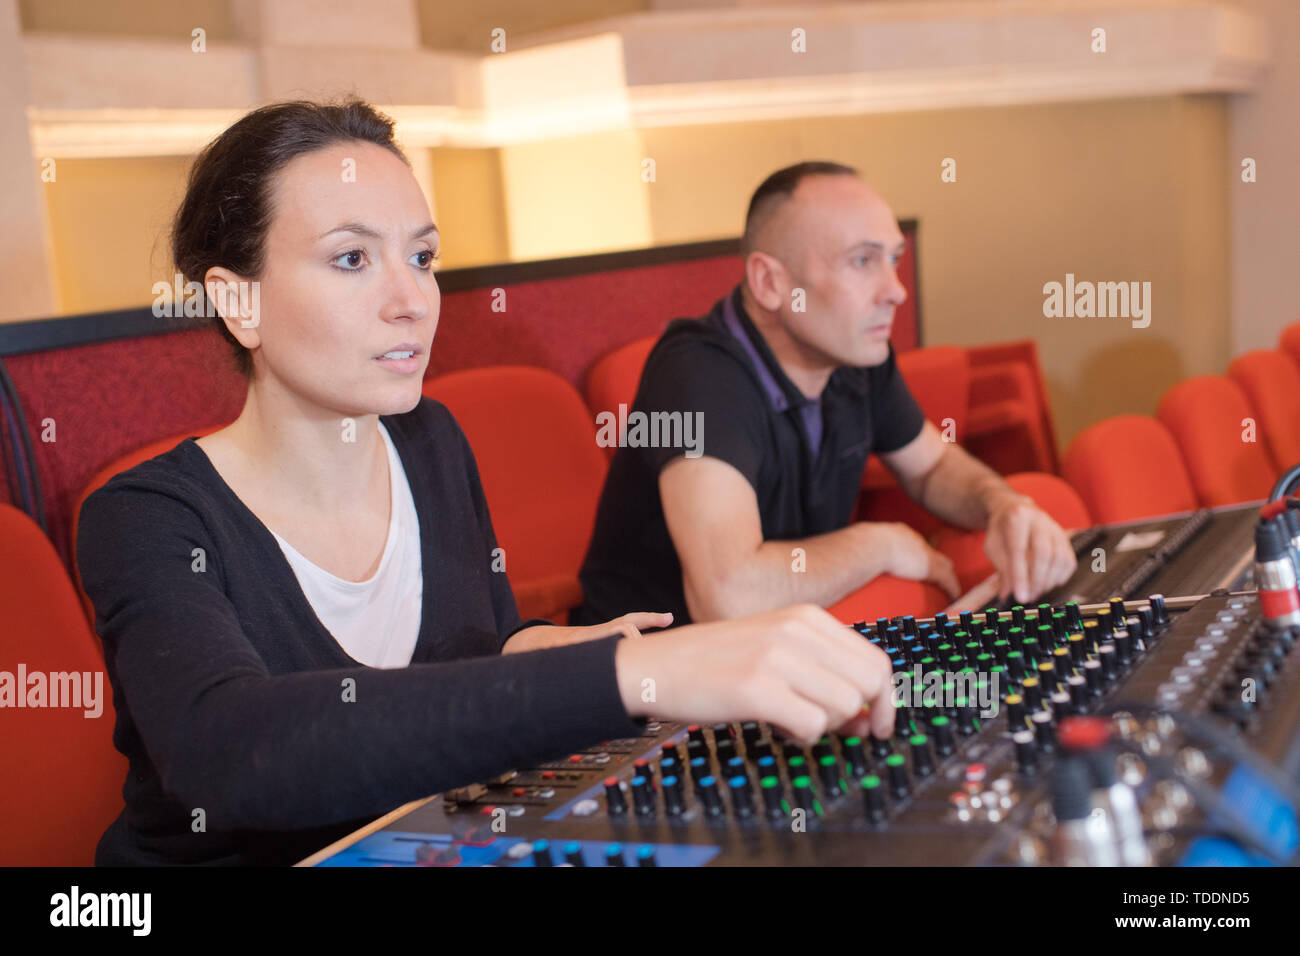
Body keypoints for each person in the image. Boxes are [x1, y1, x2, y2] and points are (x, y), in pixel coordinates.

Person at [76, 102, 896, 866]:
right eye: (353, 258)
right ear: (239, 301)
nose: (414, 301)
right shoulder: (146, 517)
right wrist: (636, 676)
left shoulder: (430, 441)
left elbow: (480, 647)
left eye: (423, 257)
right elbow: (230, 752)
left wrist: (553, 651)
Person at [574, 161, 1076, 628]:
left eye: (894, 260)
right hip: (655, 697)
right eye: (862, 261)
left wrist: (1003, 505)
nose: (895, 290)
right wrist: (878, 544)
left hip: (788, 652)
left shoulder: (851, 355)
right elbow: (730, 596)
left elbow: (931, 468)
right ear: (771, 283)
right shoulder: (697, 375)